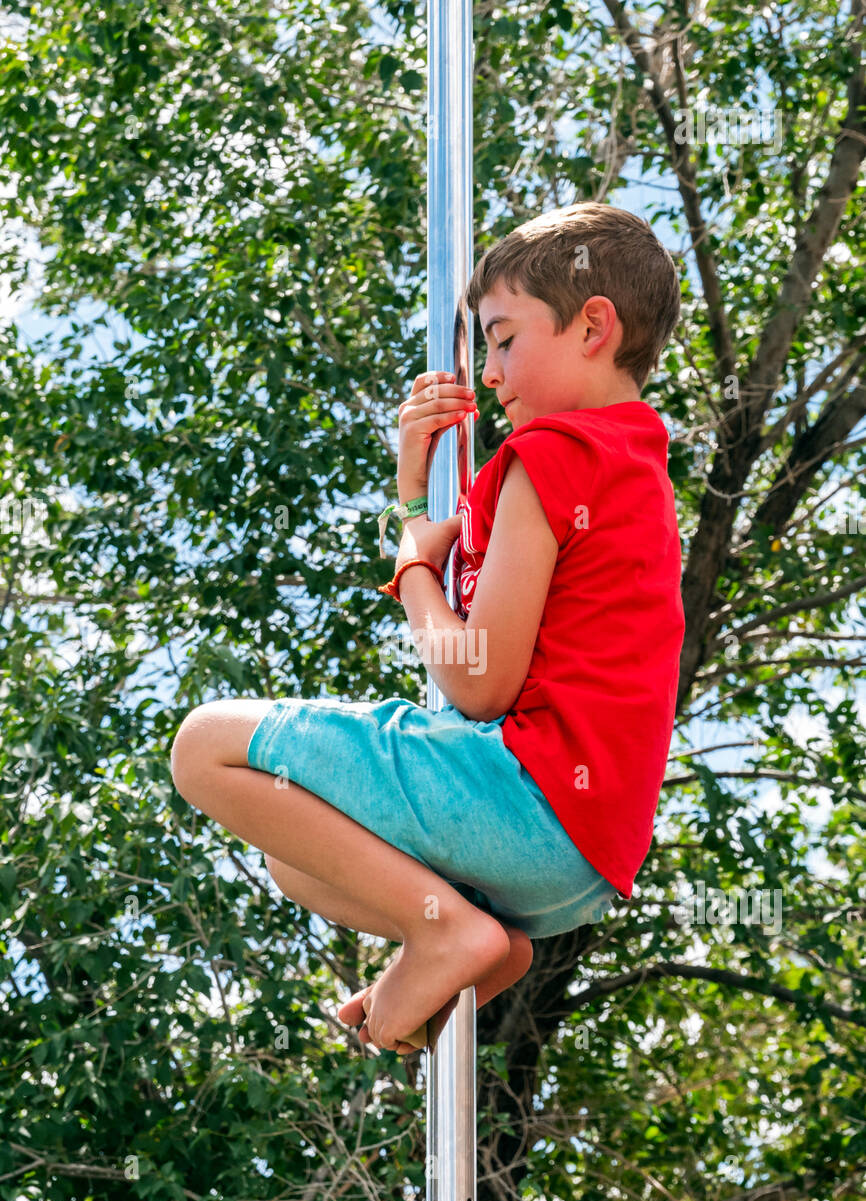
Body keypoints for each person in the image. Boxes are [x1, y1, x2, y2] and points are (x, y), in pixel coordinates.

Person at [169, 201, 685, 1056]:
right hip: (577, 864)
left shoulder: (556, 456)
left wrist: (410, 561)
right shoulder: (625, 465)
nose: (487, 372)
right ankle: (481, 937)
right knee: (296, 849)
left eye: (504, 338)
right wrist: (418, 499)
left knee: (205, 747)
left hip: (530, 800)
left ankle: (448, 931)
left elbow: (477, 679)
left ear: (593, 325)